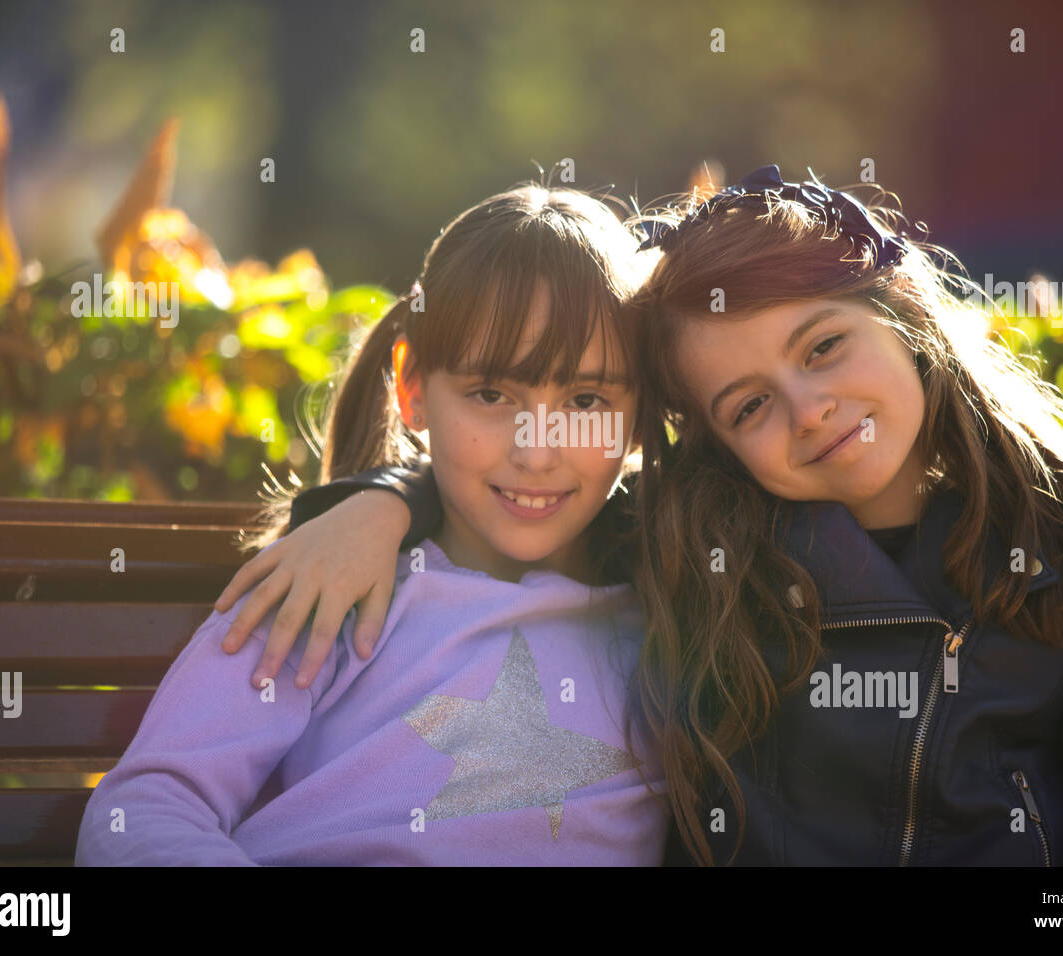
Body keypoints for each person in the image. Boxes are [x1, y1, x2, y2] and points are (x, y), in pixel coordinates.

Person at [211, 168, 1063, 867]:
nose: (806, 409)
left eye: (822, 346)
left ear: (902, 313)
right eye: (747, 406)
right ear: (713, 441)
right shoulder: (693, 543)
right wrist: (384, 499)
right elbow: (528, 486)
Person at [74, 182, 669, 865]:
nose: (536, 451)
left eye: (586, 398)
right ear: (412, 386)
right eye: (490, 394)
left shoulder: (677, 610)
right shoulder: (329, 581)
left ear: (641, 413)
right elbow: (146, 807)